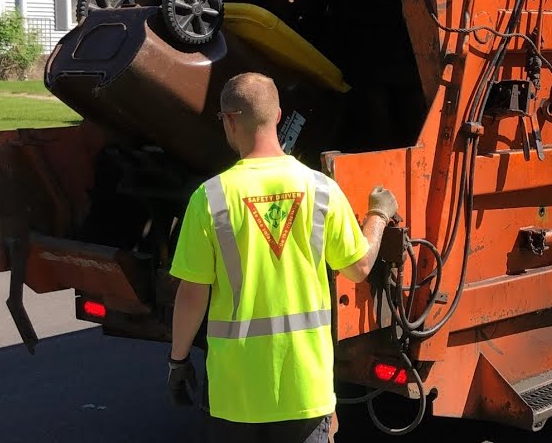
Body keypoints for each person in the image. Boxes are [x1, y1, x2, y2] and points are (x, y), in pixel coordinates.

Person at [166, 71, 397, 443]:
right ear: (277, 116)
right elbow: (360, 268)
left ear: (229, 121)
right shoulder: (322, 191)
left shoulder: (210, 199)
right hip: (304, 391)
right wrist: (379, 216)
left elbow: (193, 293)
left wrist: (178, 360)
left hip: (235, 395)